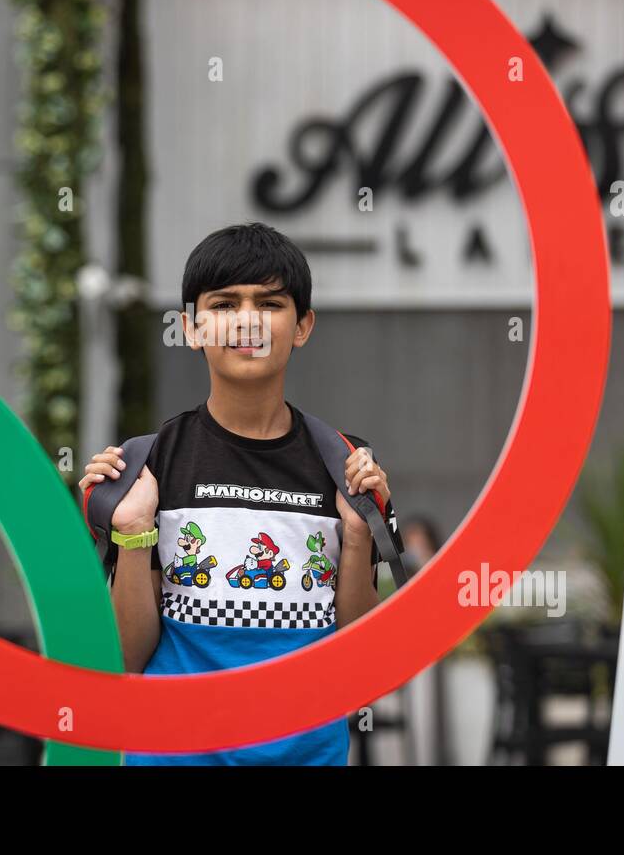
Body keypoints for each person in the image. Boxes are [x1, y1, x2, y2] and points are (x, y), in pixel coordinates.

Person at [79, 222, 401, 765]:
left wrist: (354, 536)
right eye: (224, 304)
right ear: (190, 326)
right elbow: (124, 663)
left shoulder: (343, 463)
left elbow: (364, 678)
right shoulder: (149, 464)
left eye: (270, 303)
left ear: (302, 326)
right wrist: (133, 533)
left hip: (306, 755)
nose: (247, 321)